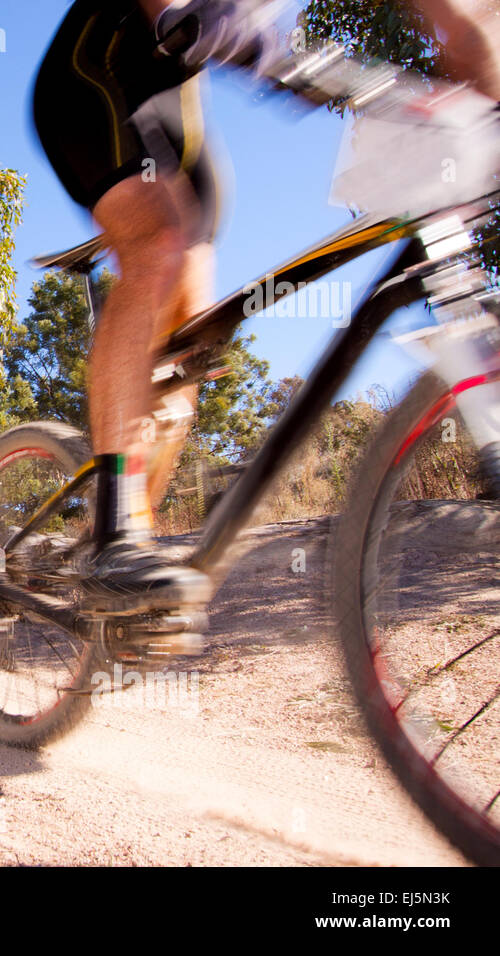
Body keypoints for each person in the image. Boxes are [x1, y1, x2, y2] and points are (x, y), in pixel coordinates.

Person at [31, 0, 500, 619]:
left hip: (175, 92)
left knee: (189, 347)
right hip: (95, 68)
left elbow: (467, 23)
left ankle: (113, 549)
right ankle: (117, 538)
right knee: (157, 245)